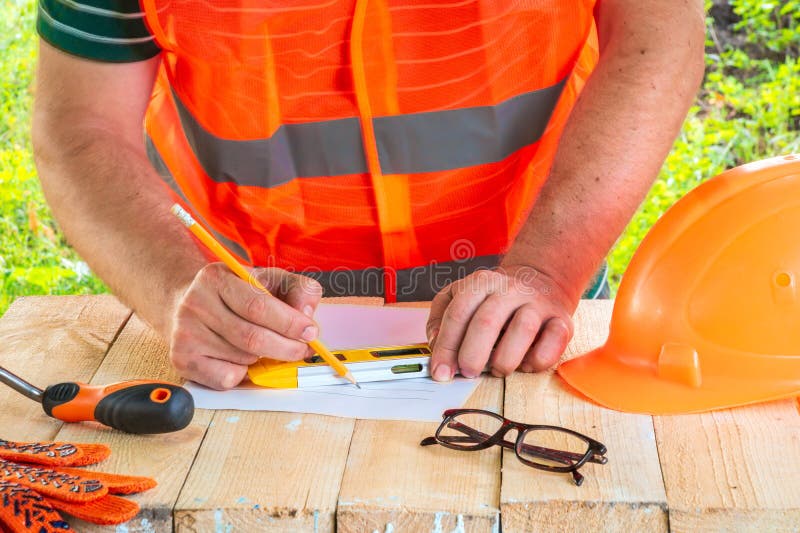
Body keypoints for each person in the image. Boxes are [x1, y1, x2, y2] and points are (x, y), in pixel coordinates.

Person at [32, 0, 704, 390]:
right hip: (246, 328)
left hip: (526, 313)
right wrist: (174, 282)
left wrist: (547, 270)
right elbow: (82, 127)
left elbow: (658, 36)